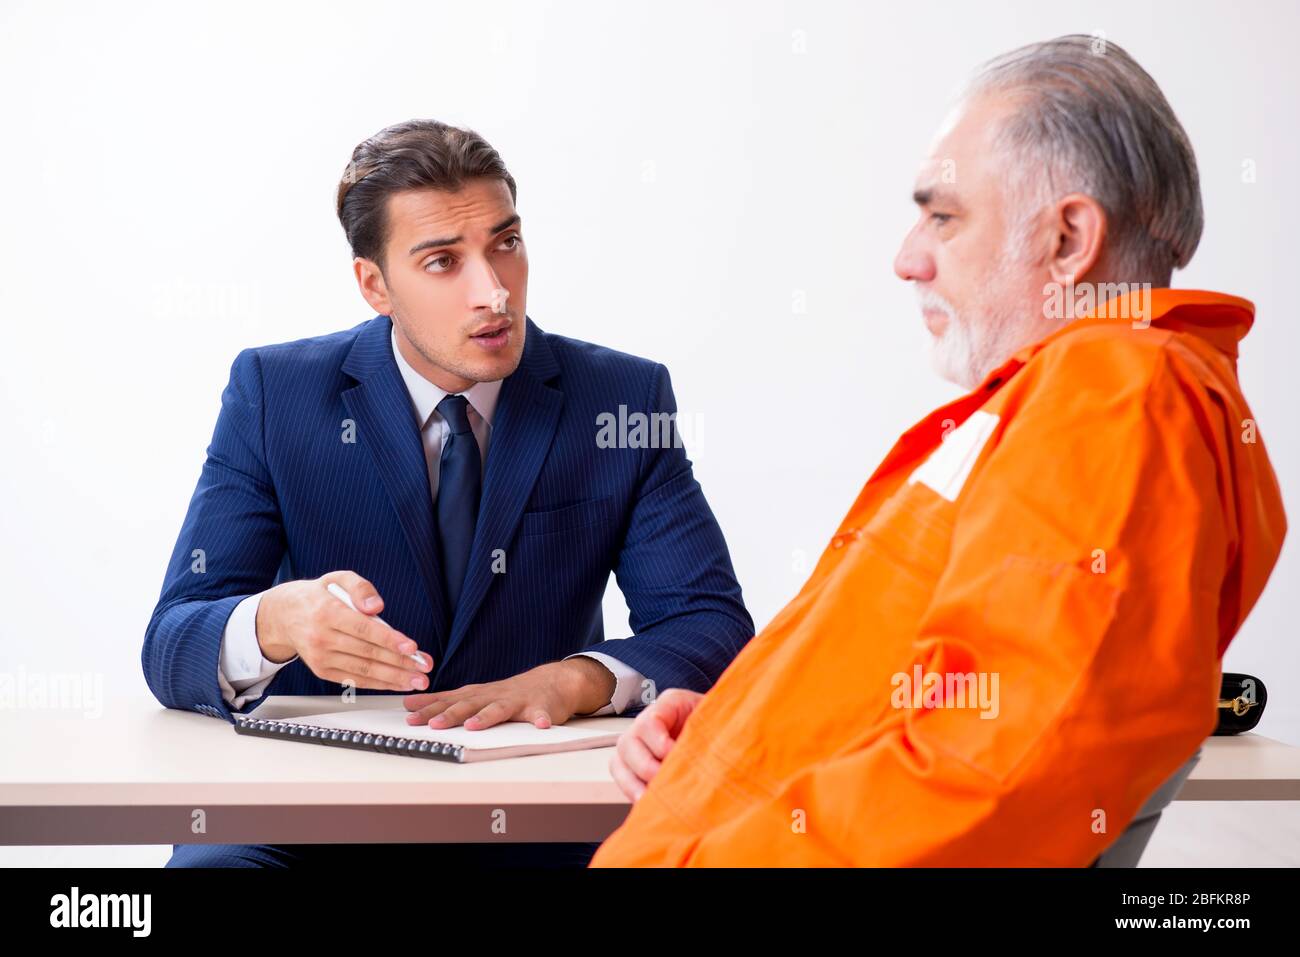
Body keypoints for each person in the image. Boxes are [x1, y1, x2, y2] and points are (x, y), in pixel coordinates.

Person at [591, 35, 1287, 867]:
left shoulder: (1117, 397)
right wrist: (741, 721)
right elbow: (945, 699)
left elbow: (993, 776)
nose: (906, 258)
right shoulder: (1066, 403)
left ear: (1069, 240)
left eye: (944, 216)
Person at [142, 119, 754, 867]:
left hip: (537, 811)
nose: (493, 291)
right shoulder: (277, 393)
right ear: (376, 286)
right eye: (443, 261)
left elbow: (711, 623)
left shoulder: (619, 398)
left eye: (506, 243)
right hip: (315, 815)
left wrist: (579, 678)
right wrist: (276, 621)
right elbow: (170, 642)